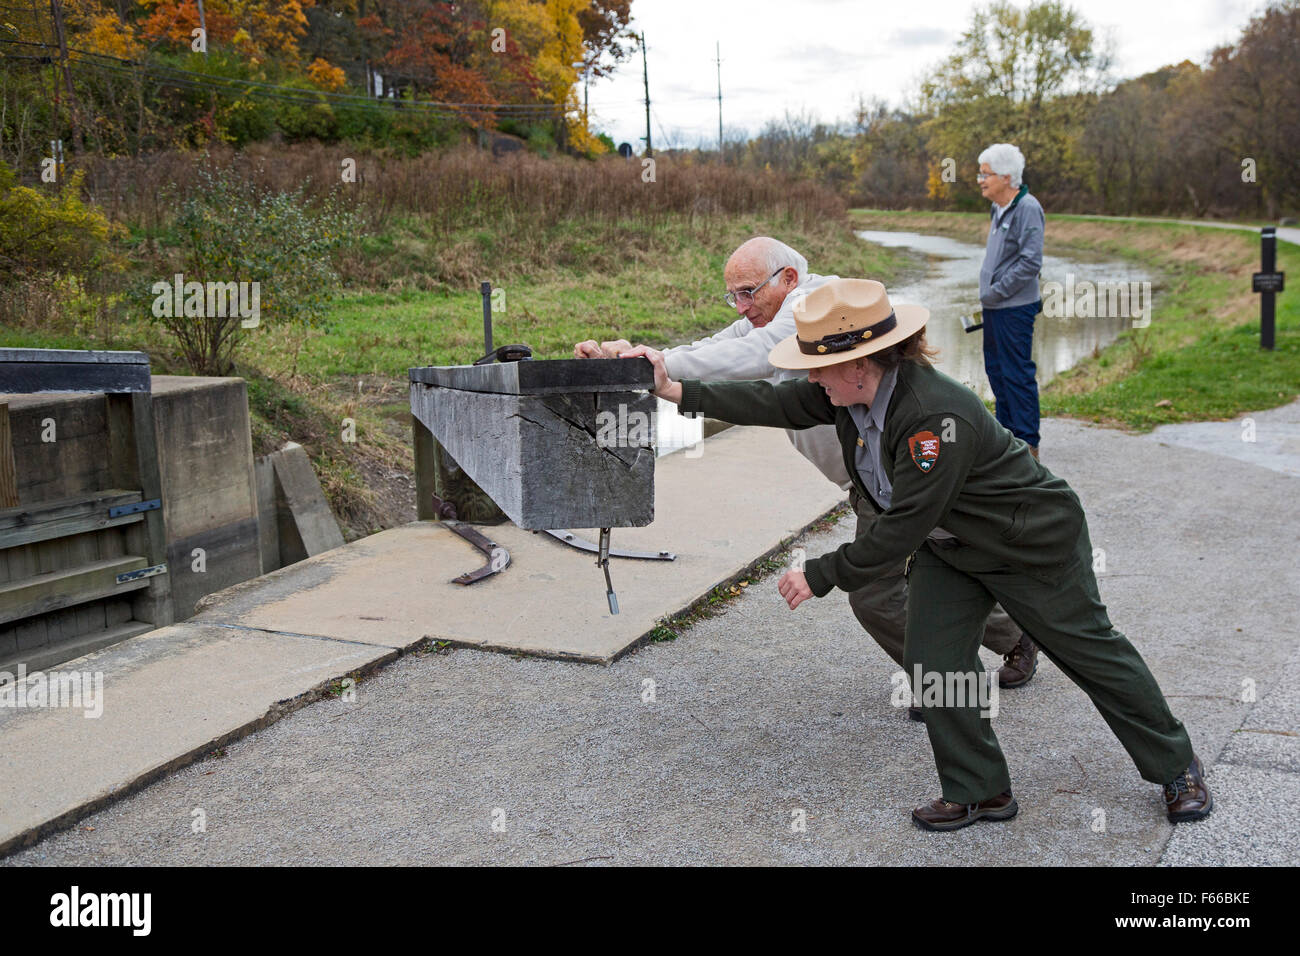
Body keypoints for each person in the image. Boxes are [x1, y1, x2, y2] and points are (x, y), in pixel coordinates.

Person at [624, 278, 1212, 832]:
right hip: (950, 546)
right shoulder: (846, 395)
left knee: (1091, 654)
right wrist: (672, 387)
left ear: (859, 362)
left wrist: (822, 573)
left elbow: (901, 527)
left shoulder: (932, 417)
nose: (812, 381)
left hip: (1026, 543)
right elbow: (769, 403)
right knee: (934, 662)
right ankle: (981, 787)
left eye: (818, 368)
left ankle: (1176, 765)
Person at [574, 238, 1040, 706]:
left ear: (789, 280)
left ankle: (957, 685)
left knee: (885, 590)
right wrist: (644, 362)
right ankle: (1011, 638)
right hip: (868, 485)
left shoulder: (816, 314)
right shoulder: (776, 315)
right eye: (732, 295)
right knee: (916, 578)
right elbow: (723, 350)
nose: (740, 307)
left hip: (905, 481)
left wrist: (820, 573)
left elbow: (749, 358)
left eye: (747, 292)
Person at [978, 143, 1045, 460]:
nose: (981, 179)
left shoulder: (1028, 208)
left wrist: (997, 291)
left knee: (1017, 373)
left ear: (1006, 177)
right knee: (997, 372)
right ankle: (1007, 438)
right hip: (994, 307)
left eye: (986, 173)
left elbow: (1031, 263)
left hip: (1014, 308)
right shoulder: (997, 207)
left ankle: (1028, 444)